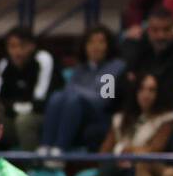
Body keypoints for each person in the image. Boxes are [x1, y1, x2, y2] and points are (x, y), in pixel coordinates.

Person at [55, 71, 173, 176]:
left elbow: (156, 150)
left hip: (149, 173)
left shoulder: (165, 118)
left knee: (117, 172)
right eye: (142, 89)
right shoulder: (121, 119)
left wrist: (130, 152)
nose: (146, 94)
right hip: (119, 172)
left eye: (152, 90)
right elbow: (103, 152)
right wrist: (119, 158)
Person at [38, 24, 125, 156]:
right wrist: (80, 92)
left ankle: (60, 149)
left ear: (108, 45)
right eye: (91, 42)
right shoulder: (80, 68)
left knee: (73, 99)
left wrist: (78, 92)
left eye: (100, 42)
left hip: (99, 114)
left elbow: (104, 99)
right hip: (76, 109)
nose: (95, 47)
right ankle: (45, 146)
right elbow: (67, 91)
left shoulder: (114, 67)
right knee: (57, 96)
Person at [0, 26, 60, 150]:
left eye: (22, 46)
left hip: (43, 117)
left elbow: (40, 101)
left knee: (24, 121)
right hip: (13, 116)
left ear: (32, 46)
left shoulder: (43, 59)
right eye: (12, 46)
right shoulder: (5, 64)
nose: (17, 51)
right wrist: (15, 107)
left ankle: (32, 166)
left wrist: (12, 107)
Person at [120, 5, 173, 107]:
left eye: (166, 30)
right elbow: (124, 79)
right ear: (148, 30)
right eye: (155, 30)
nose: (161, 35)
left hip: (167, 111)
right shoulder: (137, 48)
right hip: (135, 110)